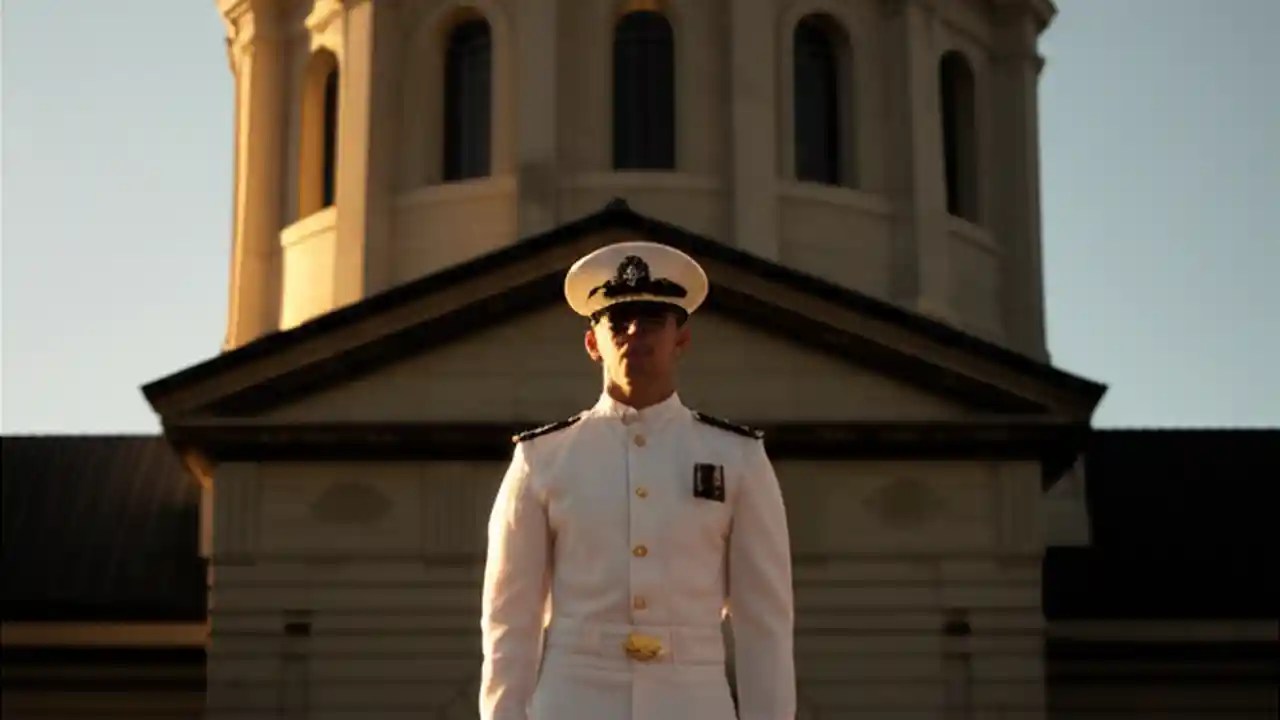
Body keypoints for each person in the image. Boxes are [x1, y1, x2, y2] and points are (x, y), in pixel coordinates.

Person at [479, 240, 795, 720]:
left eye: (652, 320)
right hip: (574, 701)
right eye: (617, 321)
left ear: (681, 339)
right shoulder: (542, 458)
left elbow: (764, 624)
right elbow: (509, 621)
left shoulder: (737, 457)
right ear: (592, 342)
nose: (634, 332)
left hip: (692, 702)